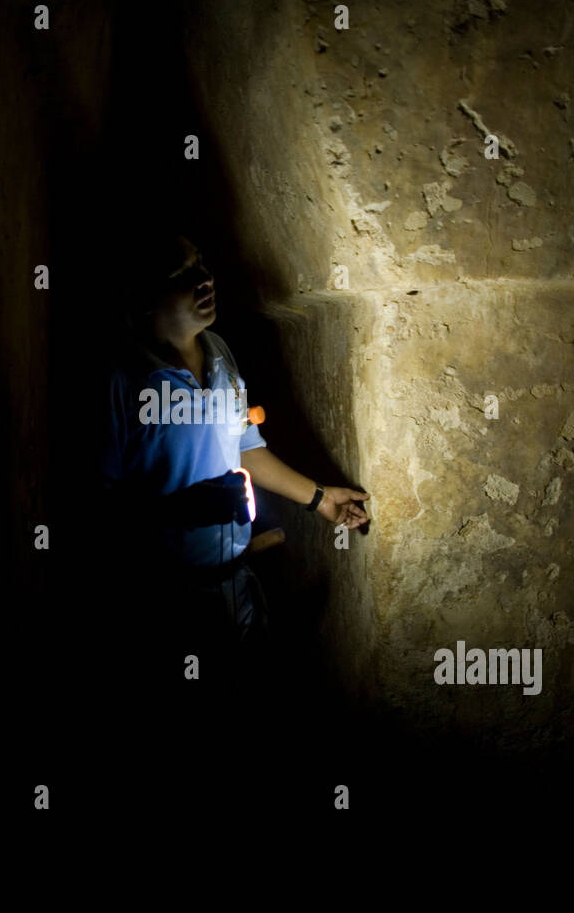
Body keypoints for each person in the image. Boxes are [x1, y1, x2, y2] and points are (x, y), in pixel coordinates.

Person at [99, 233, 370, 740]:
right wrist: (184, 509)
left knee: (248, 719)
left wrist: (319, 498)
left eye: (203, 264)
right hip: (165, 603)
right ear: (145, 293)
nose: (205, 280)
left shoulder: (219, 353)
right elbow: (101, 509)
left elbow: (245, 447)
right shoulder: (124, 379)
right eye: (183, 275)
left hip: (237, 585)